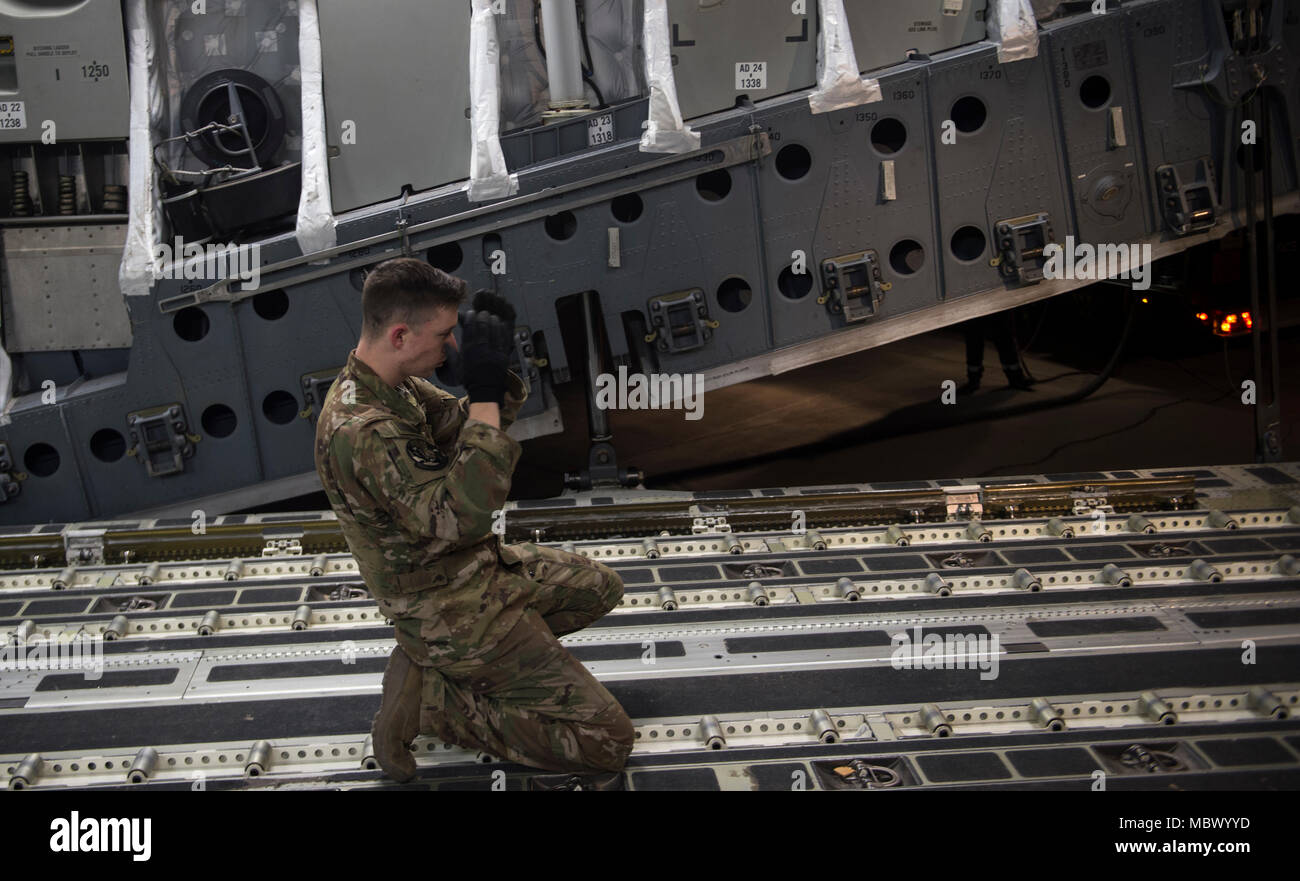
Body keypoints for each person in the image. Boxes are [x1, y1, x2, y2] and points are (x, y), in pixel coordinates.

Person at [313, 257, 634, 786]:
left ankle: (461, 668)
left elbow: (465, 427)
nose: (450, 344)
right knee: (606, 742)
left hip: (474, 570)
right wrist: (483, 395)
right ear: (400, 335)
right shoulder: (360, 429)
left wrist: (491, 377)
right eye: (443, 335)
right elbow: (461, 516)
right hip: (446, 605)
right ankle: (436, 702)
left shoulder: (395, 385)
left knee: (600, 587)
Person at [958, 309, 1034, 394]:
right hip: (988, 310)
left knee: (977, 340)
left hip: (980, 310)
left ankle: (973, 380)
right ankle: (1015, 378)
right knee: (1001, 338)